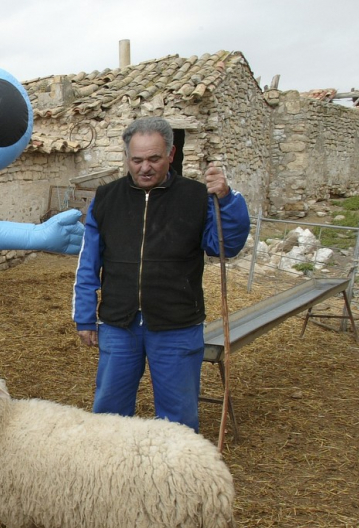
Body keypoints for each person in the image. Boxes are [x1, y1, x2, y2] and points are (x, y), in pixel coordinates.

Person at [73, 116, 251, 432]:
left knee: (178, 416)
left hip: (177, 325)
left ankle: (176, 477)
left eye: (154, 158)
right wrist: (85, 316)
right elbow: (89, 262)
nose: (145, 167)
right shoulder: (106, 198)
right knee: (109, 412)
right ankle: (107, 474)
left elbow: (224, 246)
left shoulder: (197, 197)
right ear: (126, 157)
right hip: (119, 323)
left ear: (171, 154)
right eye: (137, 159)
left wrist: (227, 201)